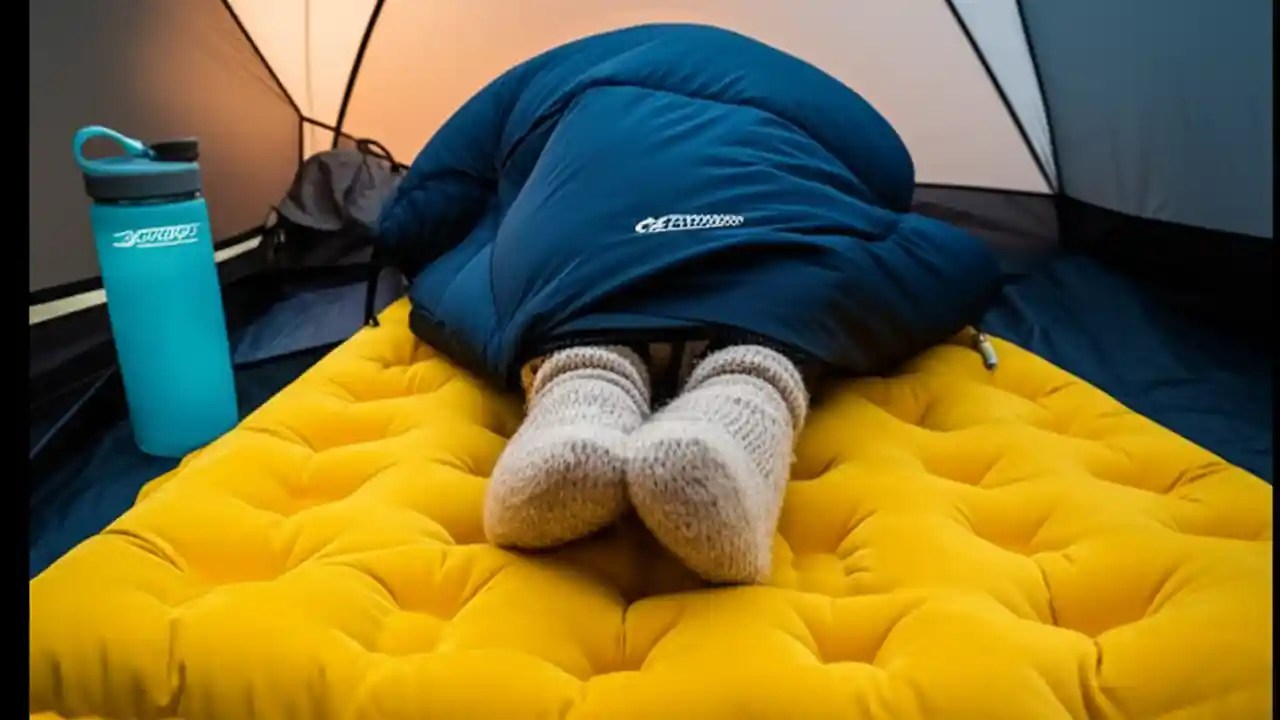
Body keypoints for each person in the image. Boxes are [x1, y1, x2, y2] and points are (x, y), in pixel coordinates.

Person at [375, 24, 1002, 585]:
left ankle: (581, 393)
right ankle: (743, 397)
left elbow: (422, 209)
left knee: (552, 287)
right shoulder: (848, 122)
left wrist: (452, 269)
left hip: (578, 238)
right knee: (804, 288)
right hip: (786, 249)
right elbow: (920, 211)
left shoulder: (546, 78)